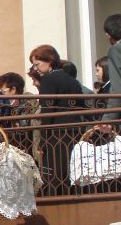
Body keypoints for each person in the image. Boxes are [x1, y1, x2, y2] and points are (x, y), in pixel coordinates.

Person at [29, 44, 86, 193]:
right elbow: (81, 106)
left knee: (54, 175)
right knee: (69, 172)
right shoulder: (72, 80)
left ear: (49, 60)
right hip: (74, 132)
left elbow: (47, 112)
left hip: (56, 134)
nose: (36, 69)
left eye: (37, 64)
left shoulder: (48, 79)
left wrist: (42, 140)